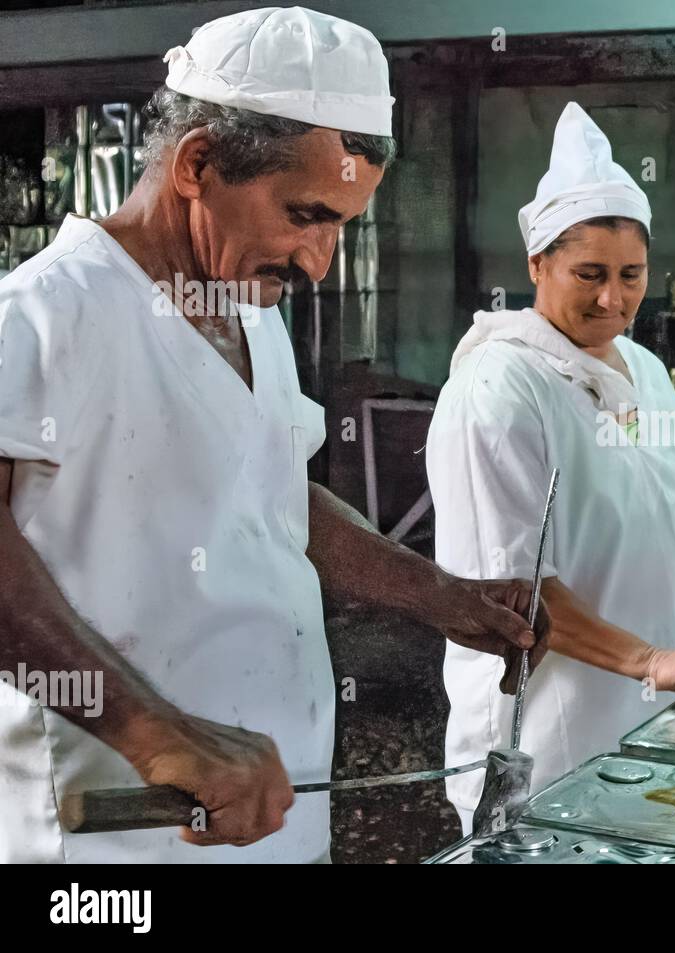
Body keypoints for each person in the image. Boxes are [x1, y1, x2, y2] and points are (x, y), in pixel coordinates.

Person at [0, 6, 544, 863]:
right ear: (197, 162)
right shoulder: (43, 314)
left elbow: (273, 495)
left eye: (340, 225)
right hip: (121, 834)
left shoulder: (250, 315)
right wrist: (155, 733)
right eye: (305, 214)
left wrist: (435, 593)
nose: (320, 261)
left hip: (274, 818)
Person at [428, 102, 675, 832]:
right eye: (589, 273)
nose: (613, 299)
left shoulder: (645, 371)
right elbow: (510, 594)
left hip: (656, 734)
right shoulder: (500, 386)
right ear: (536, 264)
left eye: (631, 275)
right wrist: (652, 658)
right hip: (547, 746)